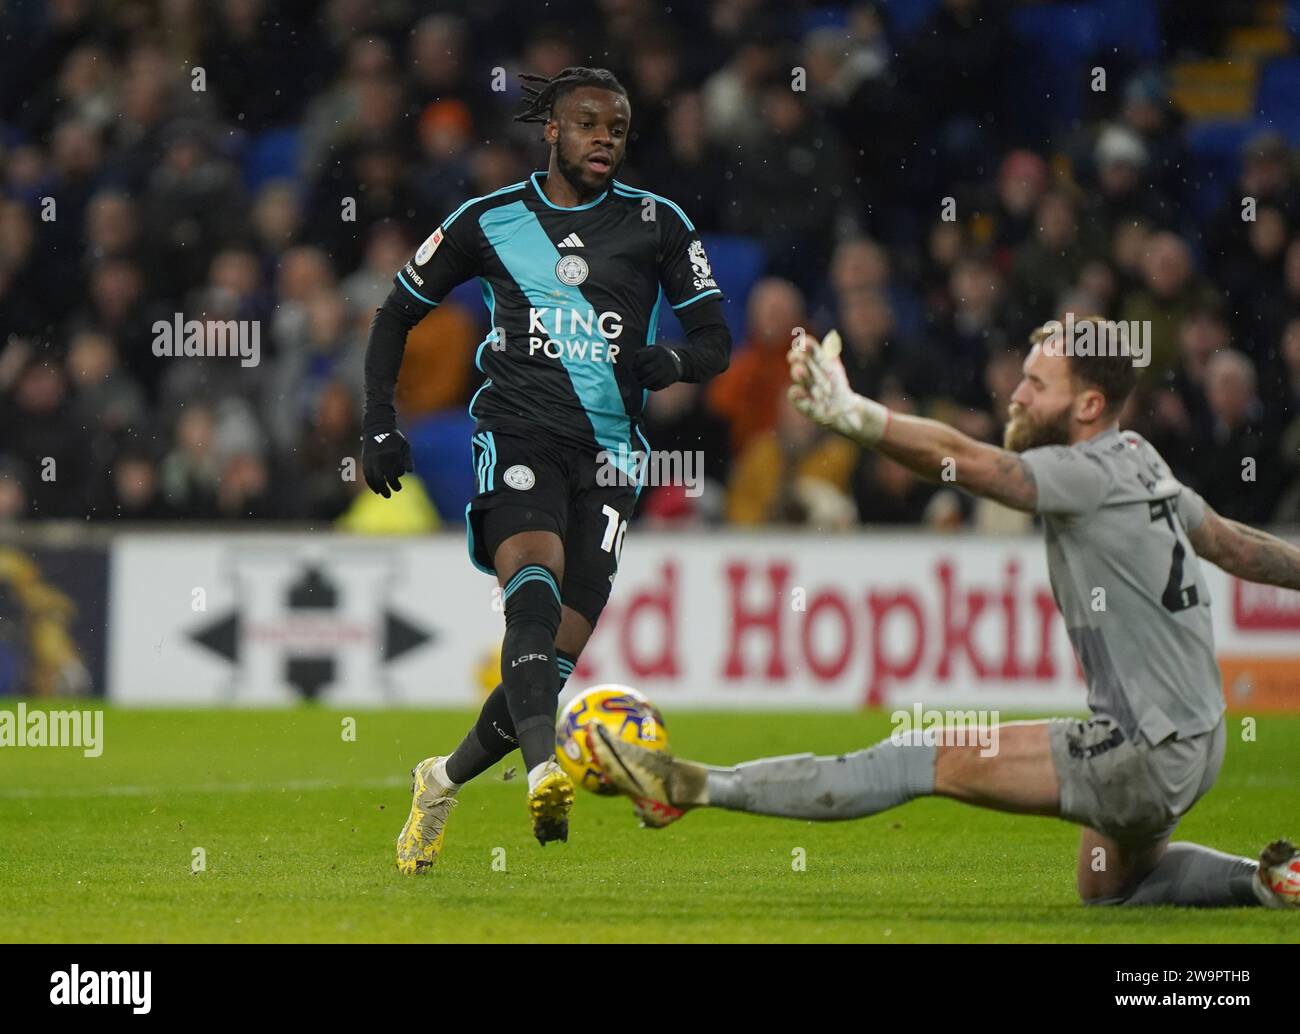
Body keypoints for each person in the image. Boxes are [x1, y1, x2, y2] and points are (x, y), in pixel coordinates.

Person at [589, 317, 1300, 908]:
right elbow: (1234, 546)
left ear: (1087, 407)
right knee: (1108, 890)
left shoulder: (1083, 473)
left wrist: (855, 416)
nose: (1014, 395)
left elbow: (975, 464)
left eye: (1034, 384)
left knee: (918, 754)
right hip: (1199, 738)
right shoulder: (1141, 459)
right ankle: (1263, 881)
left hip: (1142, 751)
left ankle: (690, 784)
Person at [360, 67, 731, 872]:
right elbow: (397, 312)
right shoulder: (490, 218)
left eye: (620, 128)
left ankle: (441, 780)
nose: (606, 138)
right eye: (590, 124)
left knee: (554, 656)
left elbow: (713, 341)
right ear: (553, 132)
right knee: (533, 575)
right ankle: (543, 770)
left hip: (610, 455)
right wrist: (378, 424)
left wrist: (669, 359)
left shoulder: (657, 223)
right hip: (517, 433)